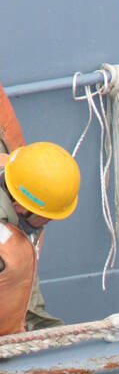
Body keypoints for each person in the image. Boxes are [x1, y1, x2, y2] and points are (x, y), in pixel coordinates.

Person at [0, 139, 80, 333]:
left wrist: (53, 333)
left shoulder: (15, 172)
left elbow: (25, 293)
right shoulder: (7, 252)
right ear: (21, 207)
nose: (48, 222)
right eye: (46, 218)